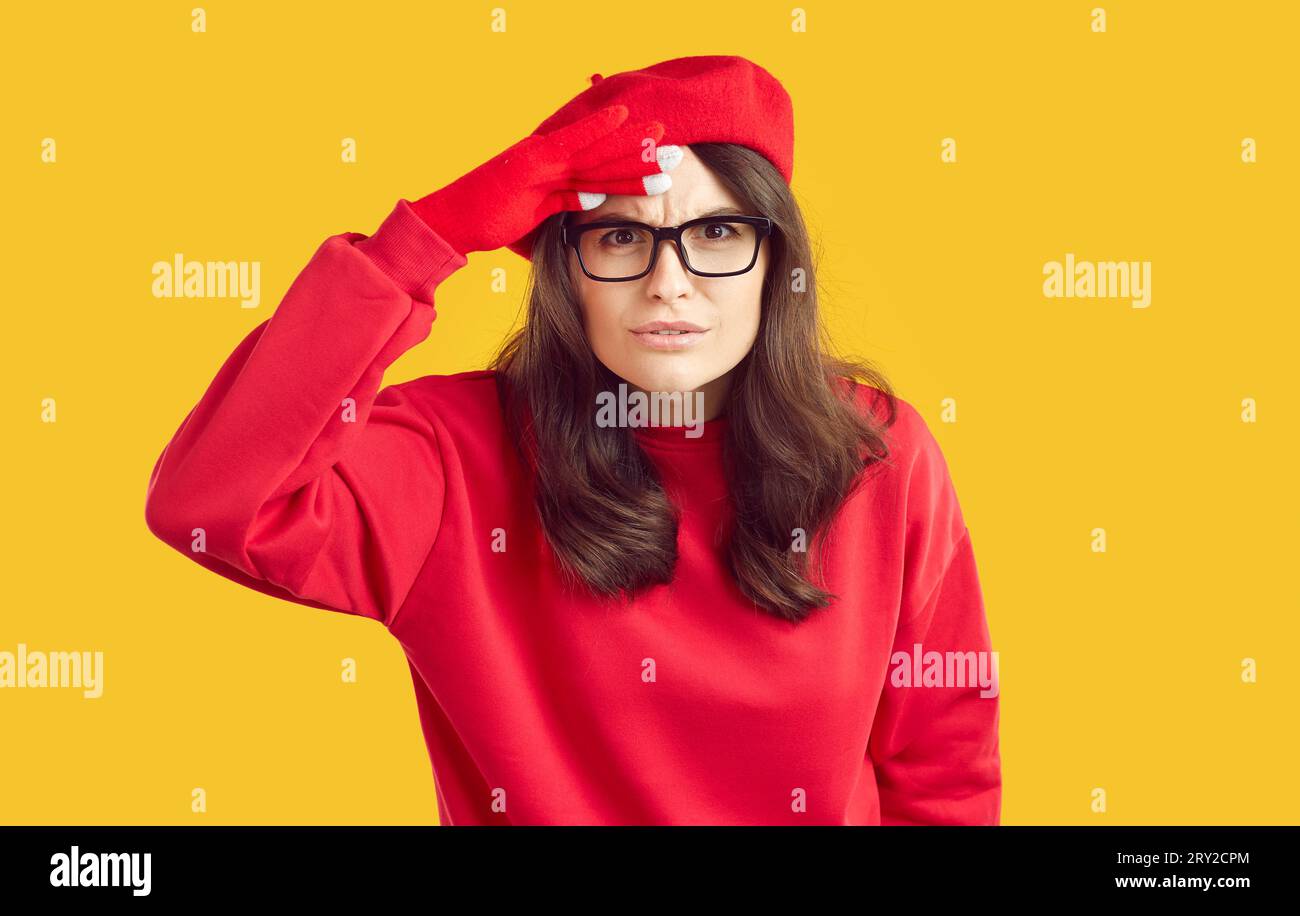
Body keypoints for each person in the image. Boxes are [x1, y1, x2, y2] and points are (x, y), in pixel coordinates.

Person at [144, 55, 1000, 825]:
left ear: (778, 263)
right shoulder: (454, 455)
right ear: (566, 269)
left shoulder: (880, 455)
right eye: (621, 236)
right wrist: (425, 242)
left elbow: (943, 770)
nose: (671, 285)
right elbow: (210, 501)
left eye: (716, 234)